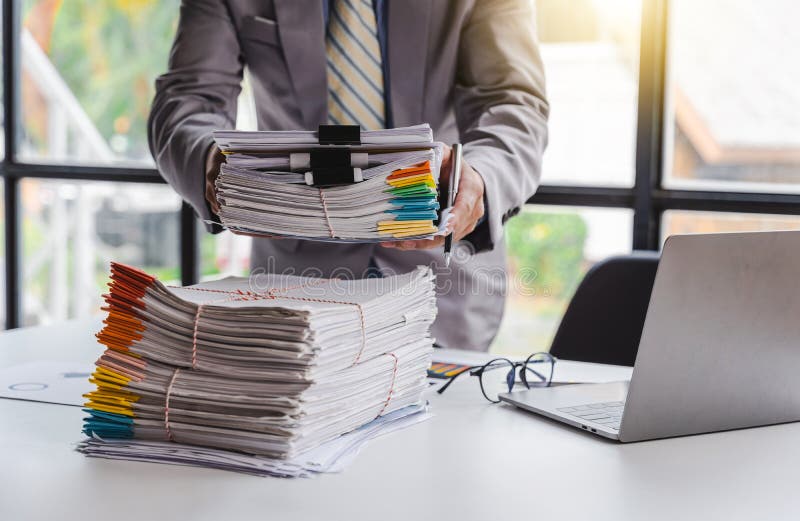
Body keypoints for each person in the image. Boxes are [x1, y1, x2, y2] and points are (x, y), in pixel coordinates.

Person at [148, 0, 548, 350]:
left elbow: (511, 104)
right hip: (295, 287)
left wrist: (480, 177)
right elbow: (189, 101)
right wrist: (208, 164)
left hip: (444, 288)